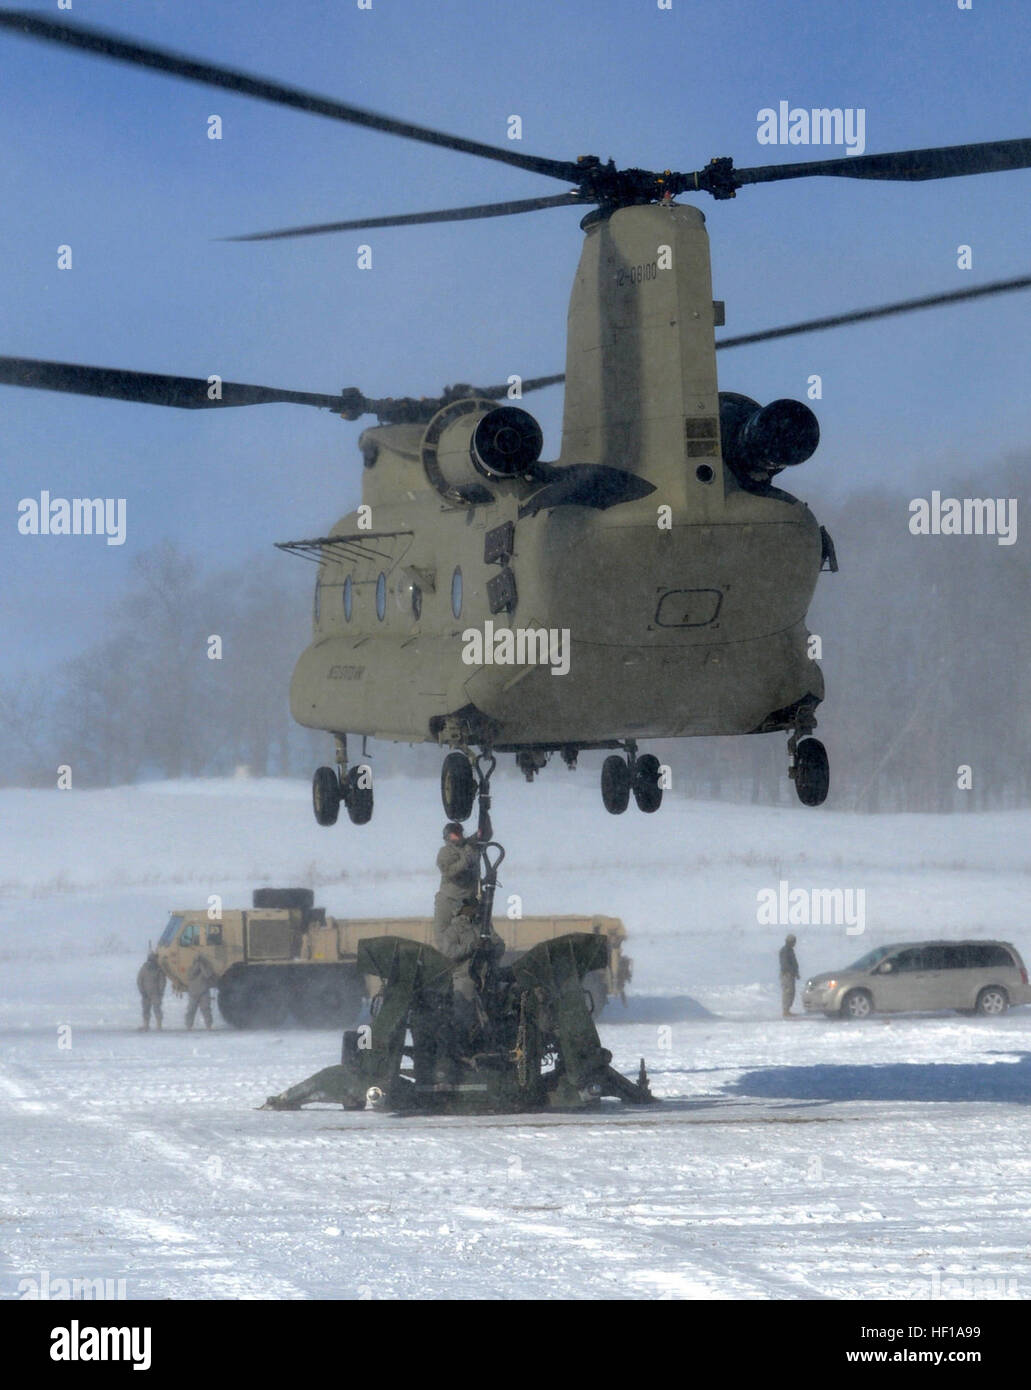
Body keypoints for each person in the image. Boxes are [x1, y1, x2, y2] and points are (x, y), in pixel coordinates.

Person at [432, 822, 480, 937]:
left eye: (459, 832)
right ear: (448, 836)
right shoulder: (445, 852)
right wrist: (467, 859)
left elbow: (483, 833)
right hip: (448, 902)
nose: (459, 835)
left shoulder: (469, 845)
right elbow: (449, 872)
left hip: (467, 903)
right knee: (443, 937)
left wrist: (485, 812)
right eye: (455, 833)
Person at [185, 954, 218, 1030]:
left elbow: (207, 975)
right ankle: (188, 1026)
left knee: (206, 1009)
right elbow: (190, 975)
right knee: (191, 1010)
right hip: (194, 993)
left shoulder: (205, 969)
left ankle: (208, 1026)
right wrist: (199, 966)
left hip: (203, 992)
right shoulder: (191, 969)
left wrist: (202, 966)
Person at [136, 950, 165, 1030]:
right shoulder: (158, 969)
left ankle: (146, 1025)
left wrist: (142, 991)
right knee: (156, 1009)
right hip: (155, 993)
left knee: (146, 1009)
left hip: (146, 993)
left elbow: (139, 980)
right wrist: (160, 991)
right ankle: (159, 1025)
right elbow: (162, 981)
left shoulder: (144, 968)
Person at [780, 933, 800, 1017]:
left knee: (791, 992)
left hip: (791, 974)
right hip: (787, 974)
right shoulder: (785, 951)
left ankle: (787, 1010)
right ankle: (786, 1010)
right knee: (788, 992)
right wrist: (791, 972)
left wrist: (796, 973)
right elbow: (785, 964)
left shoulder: (790, 950)